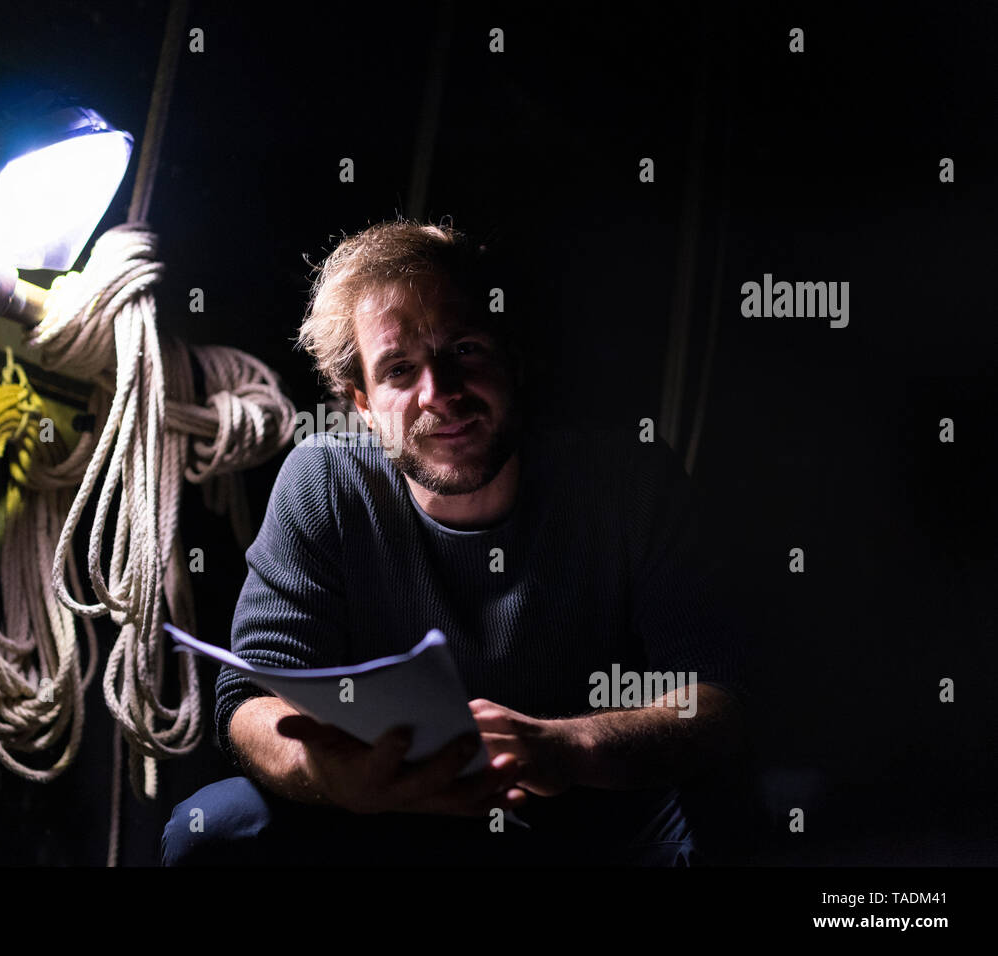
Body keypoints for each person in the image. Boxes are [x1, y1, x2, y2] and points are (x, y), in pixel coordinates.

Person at [162, 218, 747, 866]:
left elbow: (719, 693)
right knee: (211, 828)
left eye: (464, 348)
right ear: (361, 402)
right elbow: (249, 701)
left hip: (586, 806)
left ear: (510, 355)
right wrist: (329, 776)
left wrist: (564, 746)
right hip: (388, 813)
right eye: (400, 369)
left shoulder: (626, 476)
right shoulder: (323, 479)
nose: (440, 394)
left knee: (729, 815)